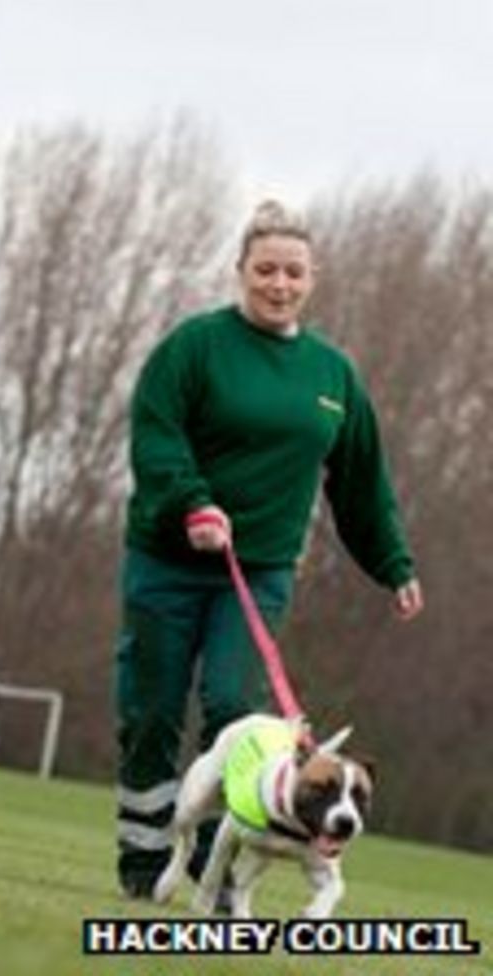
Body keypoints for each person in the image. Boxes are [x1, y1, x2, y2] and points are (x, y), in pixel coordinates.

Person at [114, 200, 424, 899]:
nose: (279, 284)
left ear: (312, 279)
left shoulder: (332, 376)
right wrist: (193, 502)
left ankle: (217, 866)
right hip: (167, 559)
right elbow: (156, 436)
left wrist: (394, 564)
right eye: (265, 270)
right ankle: (143, 857)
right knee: (151, 710)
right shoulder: (194, 348)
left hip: (258, 573)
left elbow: (362, 482)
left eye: (293, 272)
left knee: (236, 708)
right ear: (241, 271)